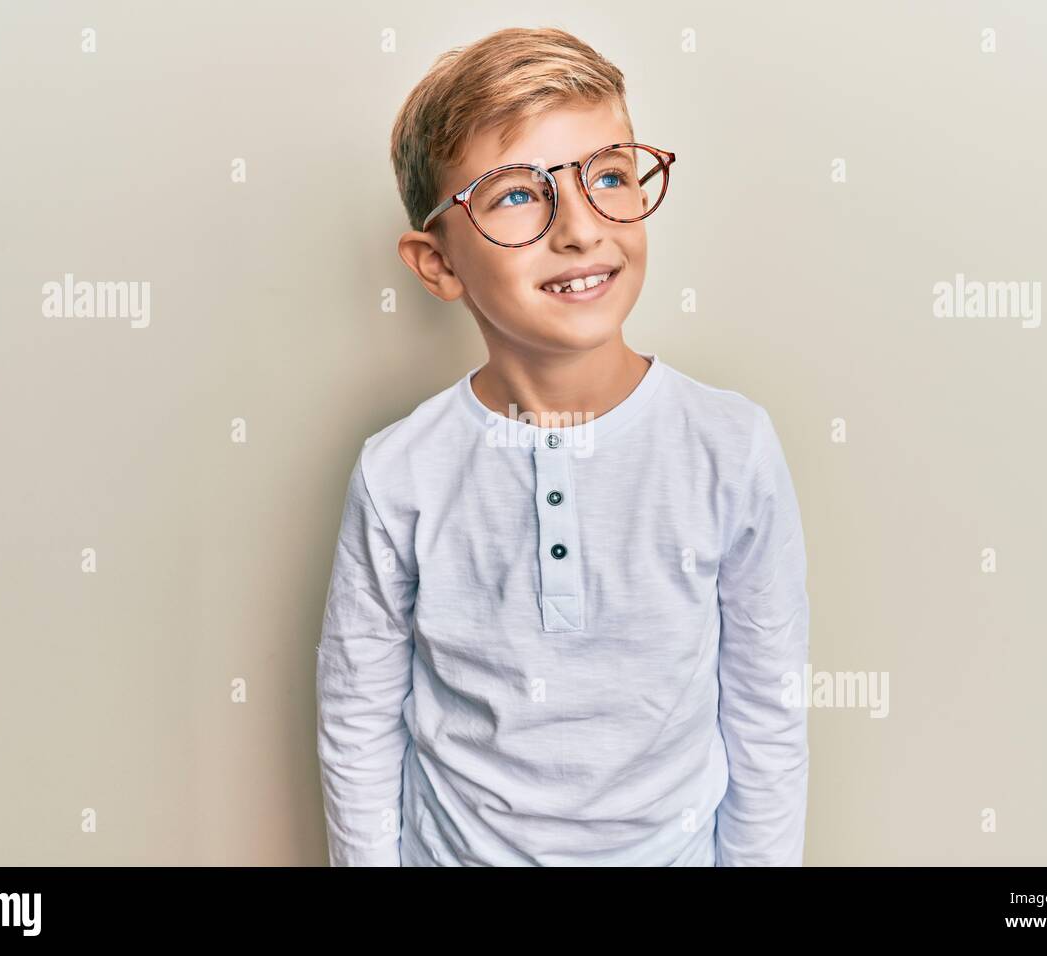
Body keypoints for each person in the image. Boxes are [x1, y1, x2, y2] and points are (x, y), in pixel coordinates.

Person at [315, 26, 809, 866]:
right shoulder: (398, 472)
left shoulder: (731, 448)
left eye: (609, 176)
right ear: (437, 265)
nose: (581, 229)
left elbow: (767, 713)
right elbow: (357, 717)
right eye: (516, 194)